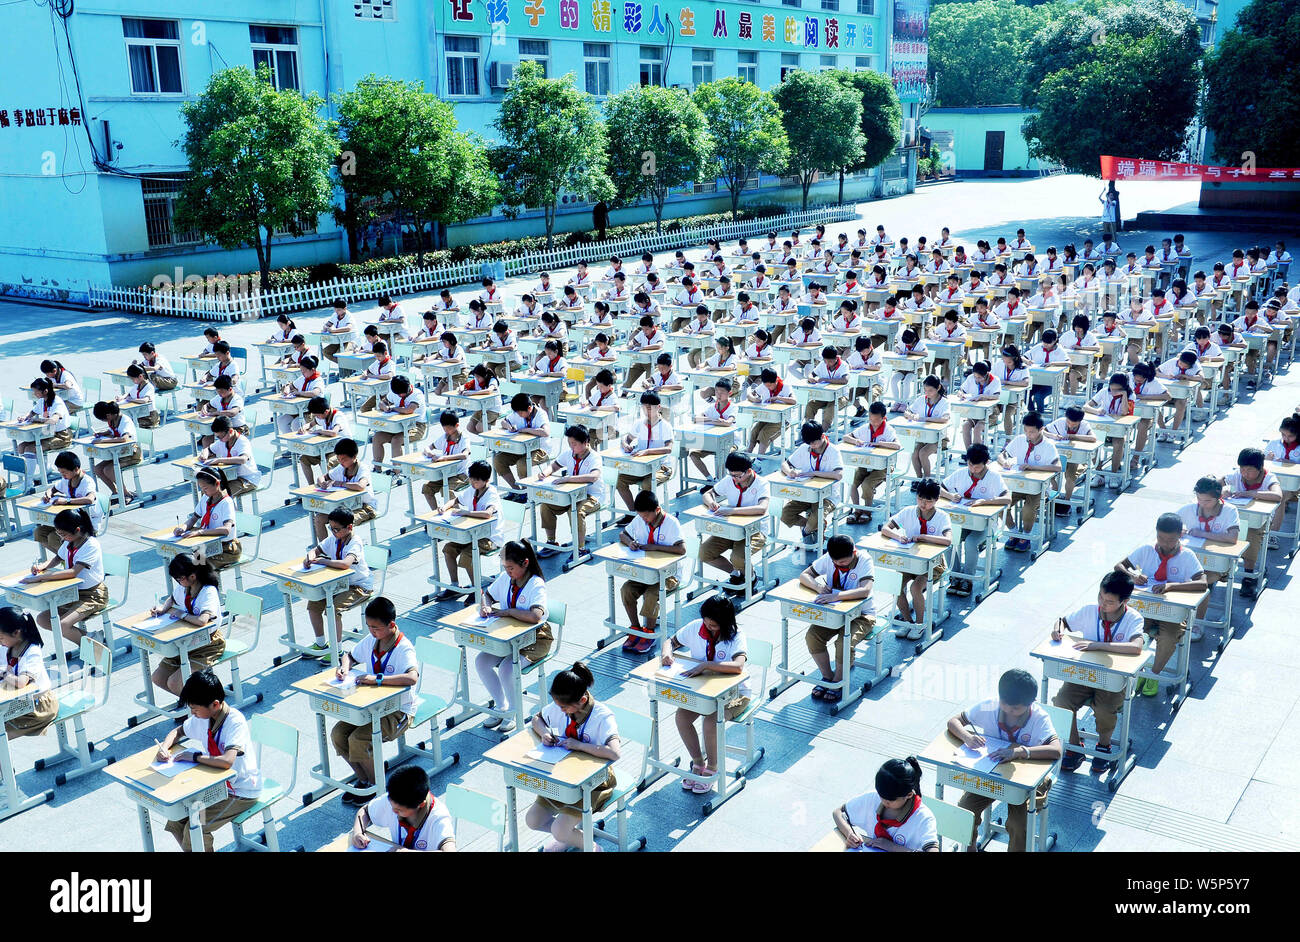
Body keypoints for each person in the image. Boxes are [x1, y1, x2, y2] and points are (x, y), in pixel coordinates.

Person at [947, 669, 1062, 852]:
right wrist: (966, 737)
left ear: (1030, 704)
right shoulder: (989, 706)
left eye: (1016, 708)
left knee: (1018, 824)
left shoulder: (1039, 717)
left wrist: (1020, 752)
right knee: (965, 810)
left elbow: (1056, 750)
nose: (1008, 710)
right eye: (1004, 704)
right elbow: (954, 721)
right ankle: (969, 849)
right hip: (991, 772)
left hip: (1028, 782)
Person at [155, 669, 261, 852]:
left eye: (195, 709)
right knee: (176, 818)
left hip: (240, 792)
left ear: (215, 704)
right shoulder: (204, 717)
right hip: (215, 788)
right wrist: (164, 747)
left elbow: (228, 761)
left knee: (196, 827)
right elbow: (177, 732)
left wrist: (195, 757)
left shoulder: (235, 722)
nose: (193, 713)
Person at [1050, 571, 1146, 774]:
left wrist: (1098, 645)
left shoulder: (1133, 618)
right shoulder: (1089, 611)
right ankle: (1076, 747)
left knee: (1104, 709)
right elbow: (1063, 621)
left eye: (1110, 601)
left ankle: (1104, 744)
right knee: (1062, 702)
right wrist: (1056, 630)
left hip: (1115, 679)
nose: (1103, 604)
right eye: (1100, 597)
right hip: (1084, 674)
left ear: (1124, 601)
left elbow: (1136, 646)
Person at [331, 596, 418, 803]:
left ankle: (378, 787)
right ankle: (364, 780)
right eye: (369, 626)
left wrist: (377, 679)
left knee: (358, 740)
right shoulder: (372, 640)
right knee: (338, 735)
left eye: (376, 628)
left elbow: (412, 677)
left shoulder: (404, 648)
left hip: (399, 711)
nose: (371, 632)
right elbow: (350, 656)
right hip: (371, 707)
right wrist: (344, 667)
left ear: (391, 625)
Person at [661, 596, 750, 795]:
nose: (709, 627)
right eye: (707, 622)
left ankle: (712, 768)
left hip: (735, 693)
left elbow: (738, 666)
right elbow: (671, 641)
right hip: (702, 692)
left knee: (711, 722)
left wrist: (706, 665)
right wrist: (666, 653)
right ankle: (698, 762)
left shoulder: (736, 635)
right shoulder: (696, 627)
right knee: (681, 718)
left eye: (714, 625)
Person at [527, 662, 620, 851]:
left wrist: (580, 745)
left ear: (582, 701)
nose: (560, 710)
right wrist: (544, 733)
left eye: (564, 708)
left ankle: (591, 847)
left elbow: (614, 753)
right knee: (533, 820)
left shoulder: (602, 716)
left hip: (594, 782)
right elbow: (537, 719)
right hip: (562, 776)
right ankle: (569, 835)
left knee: (559, 830)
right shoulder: (561, 704)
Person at [1114, 512, 1207, 696]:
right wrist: (1133, 576)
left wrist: (1172, 586)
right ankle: (1136, 669)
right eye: (1161, 538)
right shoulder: (1147, 549)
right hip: (1146, 608)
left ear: (1180, 535)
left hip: (1173, 612)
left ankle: (1154, 675)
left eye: (1170, 540)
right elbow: (1119, 566)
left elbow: (1202, 582)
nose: (1165, 544)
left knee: (1168, 637)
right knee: (1131, 631)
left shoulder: (1187, 556)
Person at [476, 540, 552, 734]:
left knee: (507, 669)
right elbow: (488, 595)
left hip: (535, 639)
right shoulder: (505, 578)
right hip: (509, 637)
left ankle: (514, 711)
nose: (508, 571)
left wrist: (508, 612)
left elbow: (535, 616)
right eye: (505, 567)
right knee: (481, 661)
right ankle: (502, 707)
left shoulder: (536, 584)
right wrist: (485, 605)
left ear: (525, 563)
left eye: (511, 567)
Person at [799, 534, 875, 703]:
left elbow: (865, 591)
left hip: (861, 615)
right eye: (836, 563)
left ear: (853, 552)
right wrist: (818, 586)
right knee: (812, 637)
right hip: (835, 613)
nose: (840, 565)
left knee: (843, 643)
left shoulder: (864, 560)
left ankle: (839, 682)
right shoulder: (830, 558)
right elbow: (804, 575)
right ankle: (827, 677)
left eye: (844, 562)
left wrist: (836, 596)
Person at [21, 508, 107, 653]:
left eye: (63, 534)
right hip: (72, 593)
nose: (61, 537)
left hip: (92, 595)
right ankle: (91, 639)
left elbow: (73, 572)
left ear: (78, 530)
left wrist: (43, 577)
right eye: (59, 533)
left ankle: (92, 650)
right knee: (43, 619)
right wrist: (42, 566)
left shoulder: (90, 545)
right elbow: (57, 558)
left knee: (62, 625)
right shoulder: (70, 542)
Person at [880, 479, 952, 638]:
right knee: (896, 586)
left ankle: (920, 625)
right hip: (910, 561)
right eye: (920, 498)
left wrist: (924, 537)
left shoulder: (941, 516)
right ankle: (908, 622)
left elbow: (948, 540)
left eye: (928, 501)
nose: (923, 504)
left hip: (934, 564)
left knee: (915, 588)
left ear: (936, 500)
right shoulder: (908, 511)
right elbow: (885, 528)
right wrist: (898, 537)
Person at [616, 491, 686, 654]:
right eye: (641, 516)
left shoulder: (671, 523)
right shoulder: (640, 519)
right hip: (645, 571)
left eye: (646, 516)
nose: (643, 519)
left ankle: (649, 632)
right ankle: (635, 628)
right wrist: (630, 542)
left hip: (669, 575)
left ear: (657, 510)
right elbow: (622, 534)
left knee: (652, 594)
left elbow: (681, 549)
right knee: (627, 590)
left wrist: (655, 547)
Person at [302, 508, 374, 658]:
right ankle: (321, 643)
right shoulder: (334, 539)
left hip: (359, 586)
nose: (333, 532)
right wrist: (309, 557)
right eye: (331, 528)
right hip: (338, 583)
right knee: (314, 604)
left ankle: (337, 650)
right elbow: (316, 549)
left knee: (332, 610)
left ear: (349, 527)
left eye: (336, 529)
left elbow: (345, 564)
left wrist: (323, 561)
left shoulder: (355, 542)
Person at [148, 555, 224, 696]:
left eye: (180, 578)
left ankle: (197, 708)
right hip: (187, 642)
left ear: (193, 576)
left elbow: (202, 620)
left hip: (208, 644)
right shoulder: (184, 588)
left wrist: (181, 614)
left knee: (175, 683)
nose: (178, 581)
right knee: (158, 678)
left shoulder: (208, 591)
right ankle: (190, 704)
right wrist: (163, 609)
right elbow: (172, 599)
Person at [940, 444, 1010, 596]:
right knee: (948, 540)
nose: (972, 469)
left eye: (976, 467)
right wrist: (951, 496)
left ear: (986, 463)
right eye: (970, 464)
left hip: (985, 524)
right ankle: (956, 576)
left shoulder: (994, 477)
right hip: (963, 521)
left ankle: (968, 579)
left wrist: (984, 502)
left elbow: (1007, 498)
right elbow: (940, 488)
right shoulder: (961, 473)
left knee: (971, 543)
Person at [832, 757, 939, 852]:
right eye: (881, 796)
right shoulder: (873, 798)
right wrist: (849, 833)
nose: (883, 802)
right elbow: (838, 812)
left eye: (889, 800)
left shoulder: (923, 817)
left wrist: (893, 847)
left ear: (909, 794)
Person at [699, 453, 769, 591]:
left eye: (738, 476)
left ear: (749, 471)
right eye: (732, 475)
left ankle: (751, 579)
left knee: (738, 557)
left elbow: (762, 508)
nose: (735, 479)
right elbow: (708, 494)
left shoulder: (762, 483)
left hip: (755, 530)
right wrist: (711, 503)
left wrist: (731, 511)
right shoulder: (729, 480)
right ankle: (736, 574)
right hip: (731, 528)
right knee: (703, 552)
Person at [433, 460, 501, 601]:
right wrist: (444, 507)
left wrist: (465, 513)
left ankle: (477, 590)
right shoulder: (472, 489)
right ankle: (454, 586)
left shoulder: (491, 494)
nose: (472, 482)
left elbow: (488, 513)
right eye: (471, 479)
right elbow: (456, 500)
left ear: (486, 480)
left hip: (489, 537)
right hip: (470, 533)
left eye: (476, 480)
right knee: (448, 549)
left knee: (467, 555)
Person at [351, 764, 456, 852]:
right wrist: (357, 832)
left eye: (399, 810)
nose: (393, 811)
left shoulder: (438, 817)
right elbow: (365, 811)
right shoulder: (394, 798)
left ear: (421, 805)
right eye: (392, 806)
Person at [535, 425, 604, 557]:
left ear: (585, 442)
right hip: (571, 494)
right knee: (546, 505)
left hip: (592, 496)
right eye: (569, 443)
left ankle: (581, 549)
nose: (571, 447)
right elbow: (555, 465)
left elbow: (594, 476)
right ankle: (551, 543)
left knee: (577, 511)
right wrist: (545, 473)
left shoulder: (595, 457)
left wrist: (568, 479)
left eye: (574, 444)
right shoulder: (570, 454)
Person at [997, 412, 1061, 552]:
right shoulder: (1020, 439)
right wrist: (1004, 462)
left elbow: (1057, 467)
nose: (1028, 434)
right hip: (1018, 484)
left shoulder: (1048, 445)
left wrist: (1034, 467)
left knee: (1028, 509)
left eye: (1032, 432)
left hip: (1039, 487)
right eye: (1026, 430)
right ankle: (1014, 532)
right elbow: (1001, 455)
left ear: (1041, 429)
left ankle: (1026, 536)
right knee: (1000, 504)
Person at [780, 421, 842, 551]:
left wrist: (813, 473)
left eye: (815, 442)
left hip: (828, 496)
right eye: (810, 443)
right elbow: (785, 464)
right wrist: (790, 472)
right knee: (785, 514)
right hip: (806, 494)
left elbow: (838, 475)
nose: (813, 445)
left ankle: (808, 531)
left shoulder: (833, 451)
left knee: (816, 517)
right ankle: (815, 528)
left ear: (822, 435)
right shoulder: (804, 448)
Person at [614, 391, 674, 522]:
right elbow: (627, 439)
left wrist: (648, 451)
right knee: (619, 479)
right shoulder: (639, 423)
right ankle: (634, 513)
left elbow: (669, 449)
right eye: (644, 407)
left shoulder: (665, 426)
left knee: (647, 484)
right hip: (641, 466)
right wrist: (625, 444)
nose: (646, 410)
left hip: (661, 467)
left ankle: (653, 516)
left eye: (649, 407)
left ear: (658, 407)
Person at [0, 607, 58, 740]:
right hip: (19, 702)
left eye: (1, 638)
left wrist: (4, 673)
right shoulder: (9, 646)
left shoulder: (32, 651)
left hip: (38, 707)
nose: (0, 642)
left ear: (16, 633)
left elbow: (21, 682)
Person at [843, 401, 900, 525]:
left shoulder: (888, 430)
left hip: (883, 466)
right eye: (870, 419)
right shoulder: (865, 428)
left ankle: (867, 511)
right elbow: (846, 437)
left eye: (876, 420)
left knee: (867, 484)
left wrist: (880, 444)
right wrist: (856, 441)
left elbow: (897, 445)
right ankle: (857, 510)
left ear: (883, 418)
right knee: (852, 481)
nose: (873, 422)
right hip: (866, 463)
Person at [34, 451, 102, 555]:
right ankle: (64, 557)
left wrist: (67, 501)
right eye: (61, 473)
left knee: (53, 537)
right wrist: (48, 494)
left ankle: (70, 558)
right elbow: (53, 489)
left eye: (64, 473)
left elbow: (90, 499)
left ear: (76, 469)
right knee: (39, 532)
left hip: (86, 522)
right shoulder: (66, 479)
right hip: (70, 521)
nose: (63, 475)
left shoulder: (87, 482)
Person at [175, 467, 241, 570]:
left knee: (197, 567)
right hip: (207, 545)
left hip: (226, 549)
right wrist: (183, 527)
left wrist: (200, 532)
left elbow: (226, 530)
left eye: (205, 488)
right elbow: (193, 518)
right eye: (201, 488)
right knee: (182, 562)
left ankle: (208, 585)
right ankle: (192, 586)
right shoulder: (206, 498)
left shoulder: (226, 502)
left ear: (217, 484)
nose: (203, 491)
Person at [492, 393, 553, 497]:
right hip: (521, 448)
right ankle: (516, 489)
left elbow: (546, 432)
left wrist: (525, 430)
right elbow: (503, 421)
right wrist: (509, 427)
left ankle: (526, 492)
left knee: (522, 464)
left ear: (529, 408)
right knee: (498, 460)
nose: (519, 415)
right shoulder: (518, 412)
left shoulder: (541, 414)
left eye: (520, 413)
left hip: (540, 449)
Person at [17, 377, 73, 482]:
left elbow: (53, 420)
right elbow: (33, 412)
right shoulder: (42, 400)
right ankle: (45, 468)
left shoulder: (57, 402)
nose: (34, 394)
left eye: (36, 392)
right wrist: (25, 417)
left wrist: (37, 420)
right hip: (47, 433)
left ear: (45, 391)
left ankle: (28, 482)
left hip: (61, 436)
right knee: (21, 447)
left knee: (30, 449)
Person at [292, 396, 350, 484]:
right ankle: (311, 485)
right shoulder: (322, 416)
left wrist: (319, 431)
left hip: (343, 449)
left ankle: (330, 487)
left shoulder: (338, 416)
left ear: (326, 412)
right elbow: (311, 424)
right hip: (327, 448)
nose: (317, 417)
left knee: (328, 462)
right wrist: (304, 427)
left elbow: (334, 432)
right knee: (304, 459)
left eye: (317, 415)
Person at [200, 417, 261, 498]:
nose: (219, 440)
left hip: (247, 479)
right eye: (217, 437)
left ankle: (227, 510)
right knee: (207, 490)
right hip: (230, 477)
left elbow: (243, 459)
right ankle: (209, 510)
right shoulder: (223, 440)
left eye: (220, 437)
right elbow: (208, 449)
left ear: (231, 431)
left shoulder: (242, 441)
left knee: (219, 495)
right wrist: (204, 454)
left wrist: (218, 460)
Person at [903, 375, 950, 479]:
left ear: (938, 388)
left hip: (939, 438)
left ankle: (927, 479)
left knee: (923, 453)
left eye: (930, 390)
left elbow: (945, 419)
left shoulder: (944, 402)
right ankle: (919, 478)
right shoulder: (921, 399)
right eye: (925, 390)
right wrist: (910, 415)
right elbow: (907, 412)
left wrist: (923, 419)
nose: (927, 393)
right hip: (923, 436)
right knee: (915, 453)